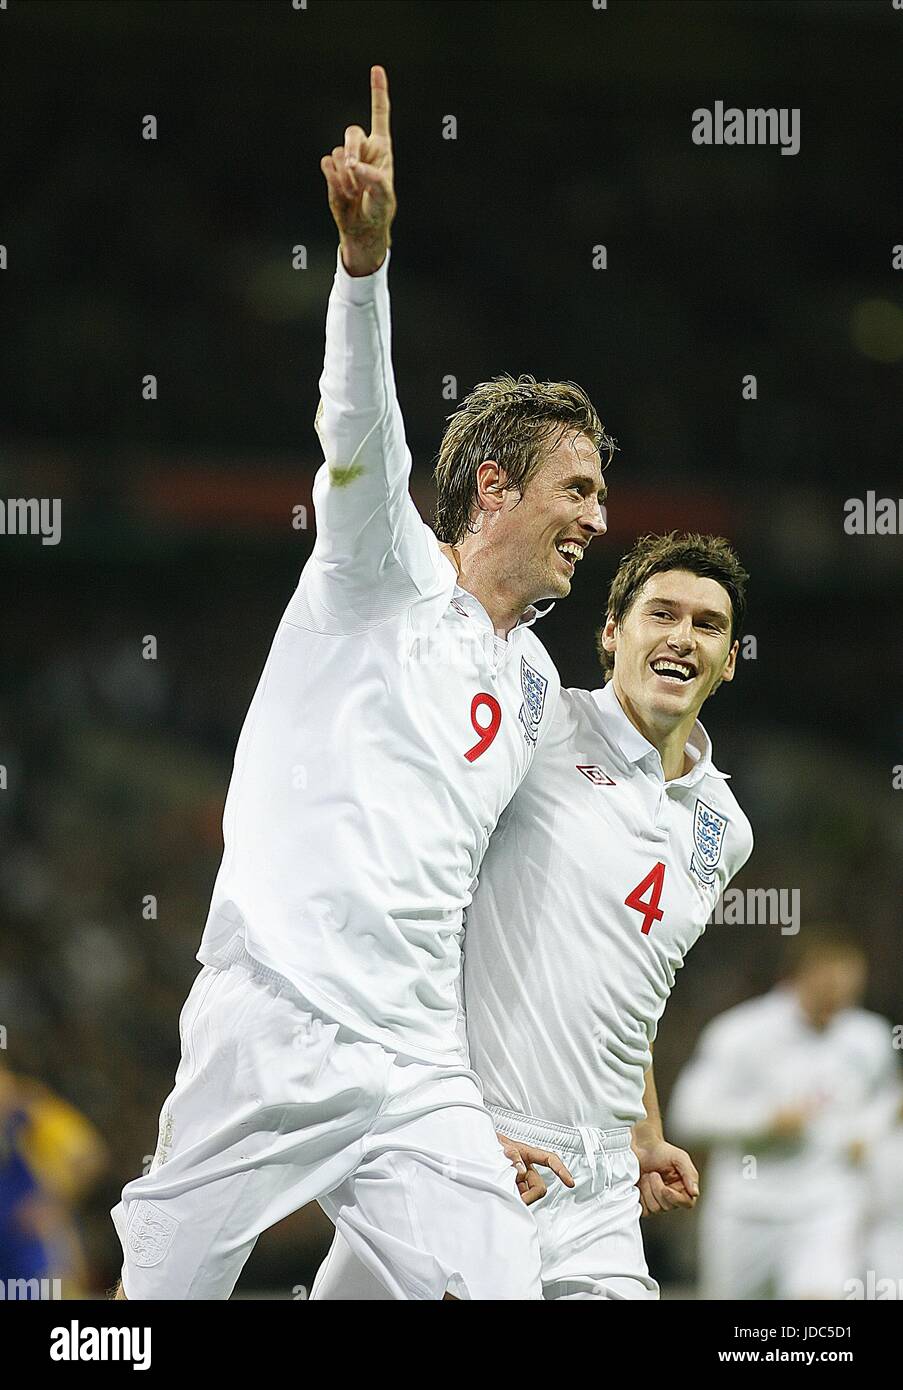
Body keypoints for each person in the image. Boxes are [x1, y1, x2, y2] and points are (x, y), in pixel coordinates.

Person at [110, 65, 612, 1302]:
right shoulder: (378, 570)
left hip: (419, 1067)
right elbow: (359, 427)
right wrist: (365, 267)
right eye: (579, 488)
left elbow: (492, 906)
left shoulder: (540, 686)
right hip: (272, 1017)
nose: (599, 518)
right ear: (494, 487)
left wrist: (496, 1102)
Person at [312, 531, 755, 1299]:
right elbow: (418, 907)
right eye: (661, 614)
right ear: (612, 633)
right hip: (472, 1149)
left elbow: (630, 984)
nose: (682, 637)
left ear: (729, 660)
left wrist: (643, 1132)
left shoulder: (726, 826)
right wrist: (446, 1117)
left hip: (601, 1183)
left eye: (706, 625)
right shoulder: (538, 727)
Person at [668, 937, 901, 1299]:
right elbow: (688, 1114)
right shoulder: (739, 1034)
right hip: (746, 1208)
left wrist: (866, 1133)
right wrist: (764, 1120)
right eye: (826, 990)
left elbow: (883, 1100)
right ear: (795, 980)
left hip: (826, 1205)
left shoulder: (868, 1038)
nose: (835, 1003)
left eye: (846, 993)